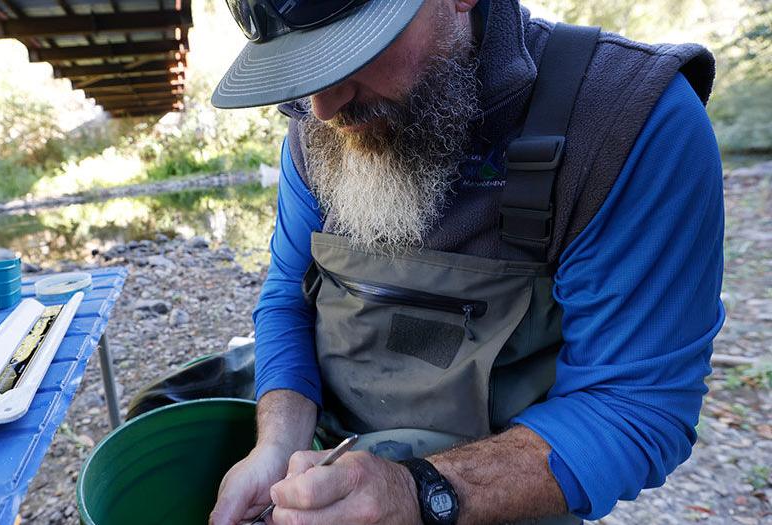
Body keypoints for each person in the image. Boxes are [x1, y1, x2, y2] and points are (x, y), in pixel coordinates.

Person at [204, 1, 724, 524]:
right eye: (302, 67)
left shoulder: (627, 122)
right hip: (323, 463)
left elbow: (633, 407)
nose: (322, 106)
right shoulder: (316, 127)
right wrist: (276, 445)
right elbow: (287, 300)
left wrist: (420, 492)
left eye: (351, 49)